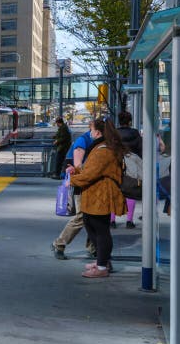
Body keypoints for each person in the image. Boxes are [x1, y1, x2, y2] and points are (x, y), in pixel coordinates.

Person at [67, 118, 127, 278]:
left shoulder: (103, 151)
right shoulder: (101, 148)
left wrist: (72, 180)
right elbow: (90, 170)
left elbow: (91, 174)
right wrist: (77, 171)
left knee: (100, 230)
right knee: (90, 224)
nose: (90, 133)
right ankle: (103, 261)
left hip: (100, 195)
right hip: (95, 194)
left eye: (91, 130)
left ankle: (102, 267)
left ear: (98, 132)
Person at [51, 128, 95, 259]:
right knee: (82, 216)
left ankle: (93, 247)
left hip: (91, 184)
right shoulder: (84, 140)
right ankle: (59, 243)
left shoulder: (96, 141)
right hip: (82, 183)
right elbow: (77, 166)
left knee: (93, 217)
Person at [111, 111, 143, 228]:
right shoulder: (135, 134)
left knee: (115, 192)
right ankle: (129, 221)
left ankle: (112, 221)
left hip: (117, 165)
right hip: (132, 166)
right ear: (130, 122)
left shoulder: (115, 134)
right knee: (131, 192)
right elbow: (141, 150)